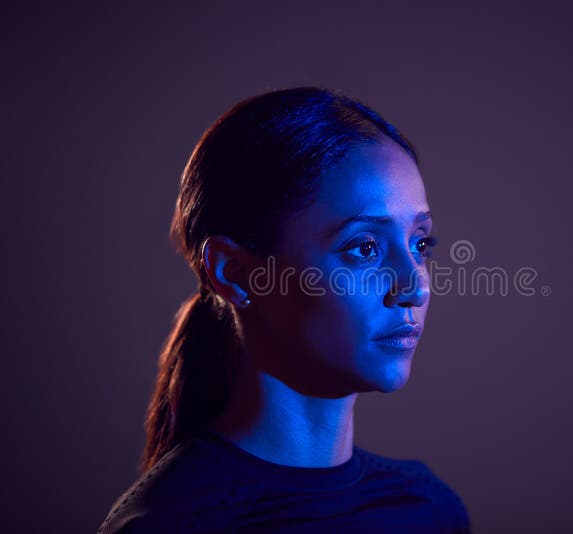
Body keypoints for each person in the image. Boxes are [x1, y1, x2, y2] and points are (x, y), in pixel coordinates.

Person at [98, 87, 471, 533]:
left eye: (420, 244)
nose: (414, 287)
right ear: (235, 273)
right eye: (365, 247)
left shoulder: (429, 510)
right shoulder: (170, 524)